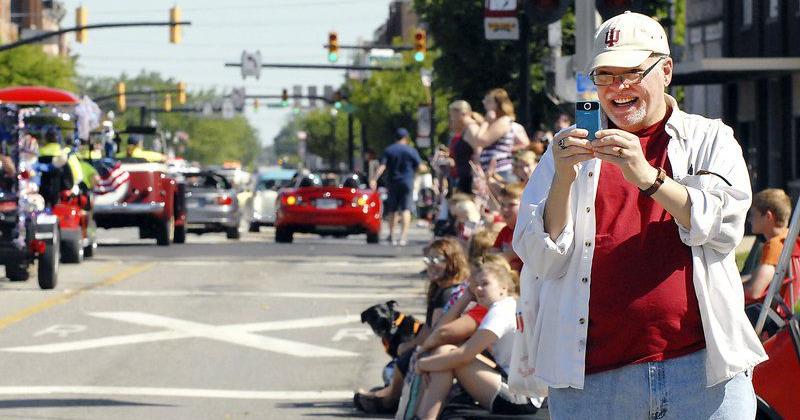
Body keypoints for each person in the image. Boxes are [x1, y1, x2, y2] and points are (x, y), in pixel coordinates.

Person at [511, 11, 766, 419]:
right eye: (606, 76)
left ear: (665, 71)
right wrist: (562, 180)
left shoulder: (709, 138)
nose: (618, 88)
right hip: (593, 381)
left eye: (631, 73)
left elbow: (723, 227)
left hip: (702, 373)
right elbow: (539, 256)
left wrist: (647, 176)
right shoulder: (566, 151)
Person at [354, 237, 470, 414]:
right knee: (404, 354)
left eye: (437, 260)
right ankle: (390, 392)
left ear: (452, 261)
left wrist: (410, 346)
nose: (431, 264)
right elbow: (429, 327)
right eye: (428, 259)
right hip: (444, 343)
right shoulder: (443, 288)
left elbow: (435, 331)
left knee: (406, 357)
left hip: (448, 346)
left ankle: (390, 399)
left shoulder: (447, 293)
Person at [413, 260, 539, 419]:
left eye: (485, 284)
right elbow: (443, 336)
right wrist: (466, 296)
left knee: (446, 355)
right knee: (445, 354)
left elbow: (464, 355)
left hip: (520, 399)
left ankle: (424, 417)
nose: (478, 289)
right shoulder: (509, 305)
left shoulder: (501, 310)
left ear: (503, 288)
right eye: (476, 285)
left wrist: (422, 364)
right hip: (523, 391)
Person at [742, 188, 795, 302]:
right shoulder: (788, 240)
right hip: (779, 312)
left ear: (768, 216)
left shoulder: (775, 246)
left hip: (763, 314)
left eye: (753, 214)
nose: (750, 219)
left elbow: (753, 291)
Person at [370, 128, 421, 246]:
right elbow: (420, 166)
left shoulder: (389, 150)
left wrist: (374, 179)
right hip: (407, 182)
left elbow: (382, 166)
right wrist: (415, 176)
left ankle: (392, 236)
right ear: (406, 138)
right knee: (406, 209)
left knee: (392, 210)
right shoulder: (411, 150)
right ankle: (403, 237)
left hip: (393, 183)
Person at [464, 89, 516, 182]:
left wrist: (486, 122)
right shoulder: (499, 121)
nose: (484, 103)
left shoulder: (503, 121)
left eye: (488, 101)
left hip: (500, 172)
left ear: (498, 104)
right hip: (494, 172)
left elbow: (480, 141)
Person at [447, 100, 479, 195]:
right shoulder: (466, 131)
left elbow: (478, 152)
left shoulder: (471, 129)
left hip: (470, 179)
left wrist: (476, 178)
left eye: (453, 116)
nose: (452, 120)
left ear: (462, 114)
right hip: (464, 178)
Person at [493, 183, 524, 274]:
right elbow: (492, 257)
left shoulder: (527, 233)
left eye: (511, 205)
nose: (505, 209)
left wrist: (502, 258)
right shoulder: (505, 231)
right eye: (502, 204)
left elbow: (503, 258)